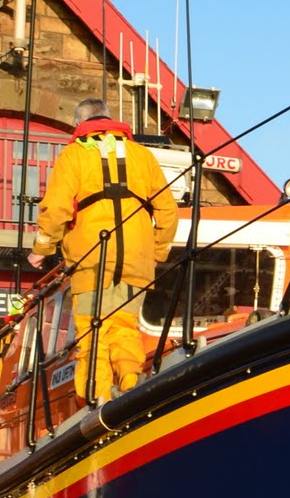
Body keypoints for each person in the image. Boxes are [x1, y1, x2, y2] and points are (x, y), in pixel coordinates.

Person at [28, 97, 178, 401]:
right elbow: (168, 210)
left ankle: (96, 400)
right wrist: (157, 253)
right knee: (123, 327)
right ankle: (130, 379)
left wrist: (42, 248)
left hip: (91, 259)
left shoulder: (73, 156)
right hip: (136, 260)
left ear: (79, 123)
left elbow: (57, 207)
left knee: (92, 331)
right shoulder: (142, 155)